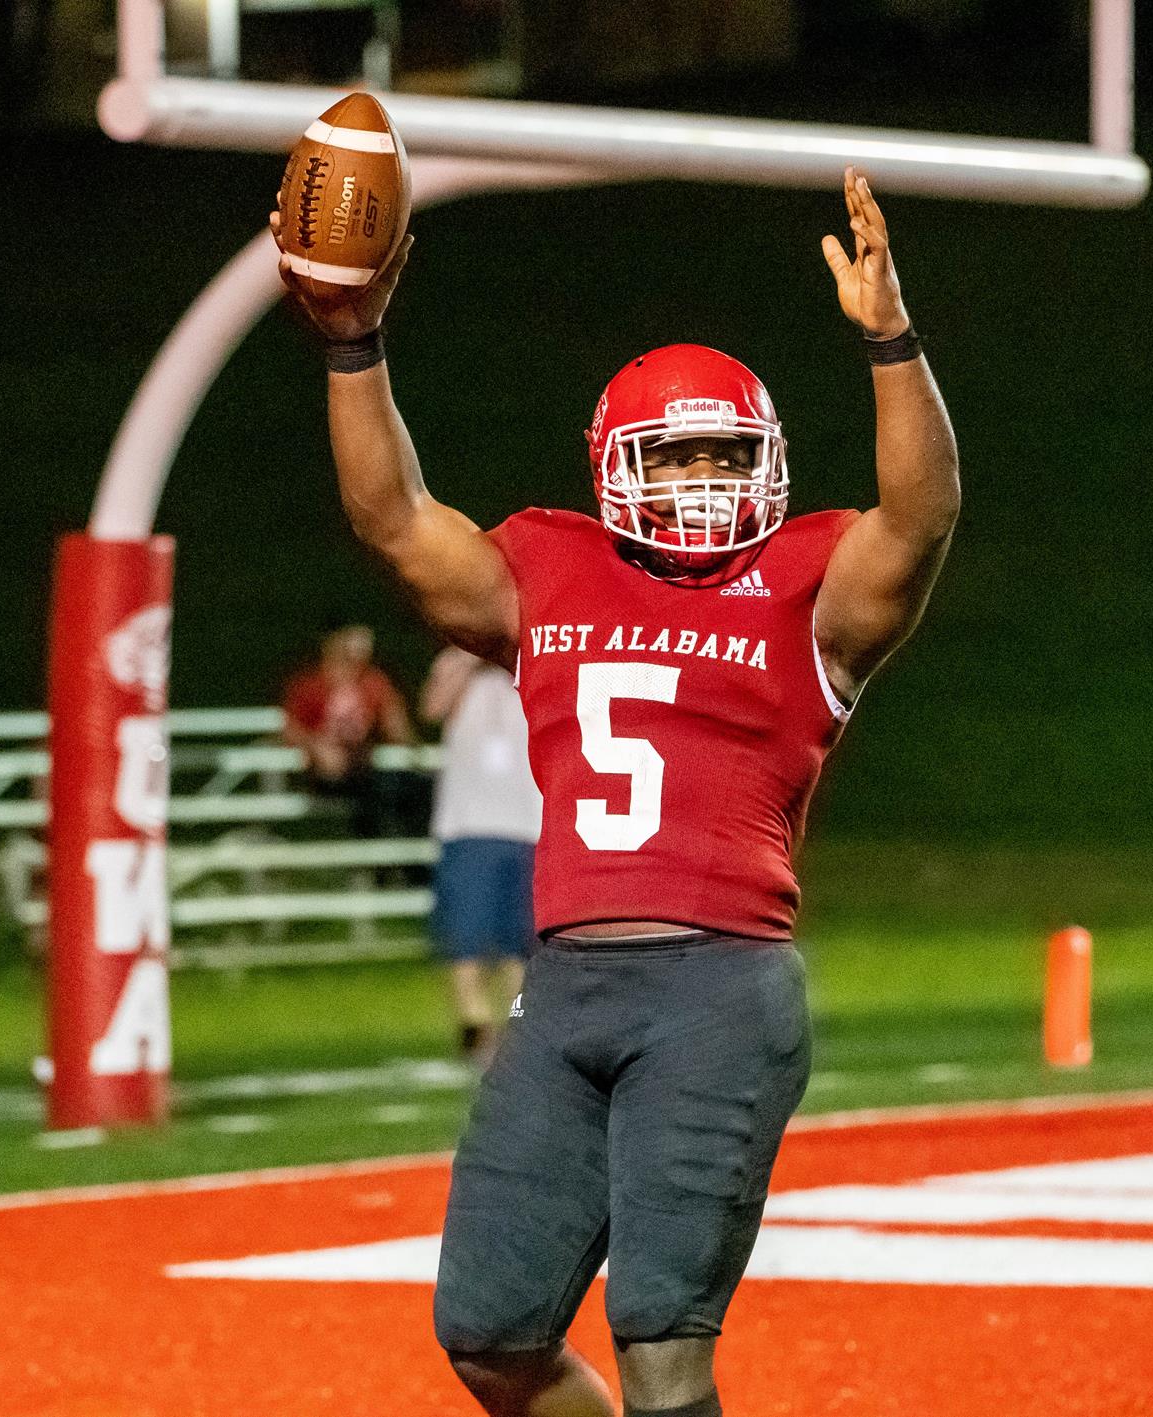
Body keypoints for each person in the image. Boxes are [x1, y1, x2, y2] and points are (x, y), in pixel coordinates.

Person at [273, 165, 958, 1417]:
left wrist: (890, 344)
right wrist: (351, 346)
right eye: (674, 454)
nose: (698, 479)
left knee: (660, 1342)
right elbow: (392, 520)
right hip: (564, 989)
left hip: (716, 989)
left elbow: (918, 518)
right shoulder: (547, 563)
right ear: (613, 466)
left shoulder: (811, 583)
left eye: (722, 455)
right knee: (489, 1329)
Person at [421, 644, 541, 1069]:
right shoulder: (458, 661)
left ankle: (518, 1029)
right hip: (469, 824)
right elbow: (432, 709)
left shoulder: (533, 657)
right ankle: (473, 1026)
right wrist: (473, 655)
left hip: (527, 823)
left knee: (521, 943)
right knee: (465, 936)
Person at [279, 623, 418, 836]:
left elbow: (397, 728)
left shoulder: (373, 682)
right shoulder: (311, 685)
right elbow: (290, 728)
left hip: (364, 769)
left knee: (409, 786)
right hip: (324, 774)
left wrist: (409, 747)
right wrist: (316, 747)